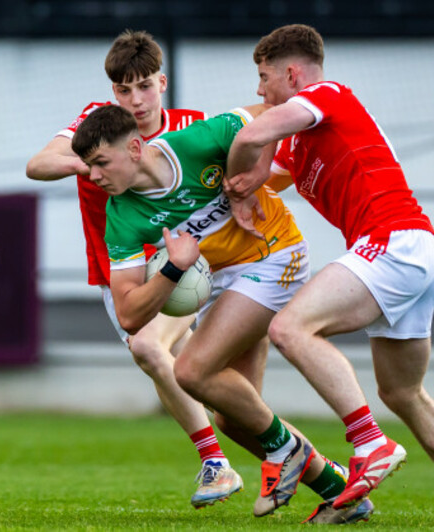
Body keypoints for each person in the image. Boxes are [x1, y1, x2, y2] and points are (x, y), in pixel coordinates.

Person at [224, 24, 434, 527]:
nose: (259, 91)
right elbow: (256, 172)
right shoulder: (298, 144)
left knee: (289, 328)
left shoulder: (327, 94)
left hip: (393, 241)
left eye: (264, 78)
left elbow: (251, 133)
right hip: (414, 250)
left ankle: (368, 441)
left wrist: (247, 164)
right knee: (403, 392)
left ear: (292, 73)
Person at [71, 103, 374, 524]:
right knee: (234, 420)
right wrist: (174, 269)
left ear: (136, 148)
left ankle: (286, 451)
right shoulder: (122, 213)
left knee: (192, 371)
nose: (94, 176)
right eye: (88, 167)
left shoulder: (197, 140)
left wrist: (251, 181)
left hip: (274, 256)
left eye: (101, 163)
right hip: (223, 283)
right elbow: (127, 314)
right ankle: (340, 491)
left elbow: (265, 119)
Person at [26, 30, 239, 509]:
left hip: (191, 272)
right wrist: (94, 162)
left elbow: (241, 159)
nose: (136, 100)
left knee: (149, 348)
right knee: (206, 390)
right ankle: (305, 466)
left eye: (144, 86)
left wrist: (245, 190)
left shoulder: (191, 126)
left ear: (163, 82)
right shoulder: (95, 128)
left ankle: (217, 464)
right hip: (120, 275)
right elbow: (37, 165)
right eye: (124, 89)